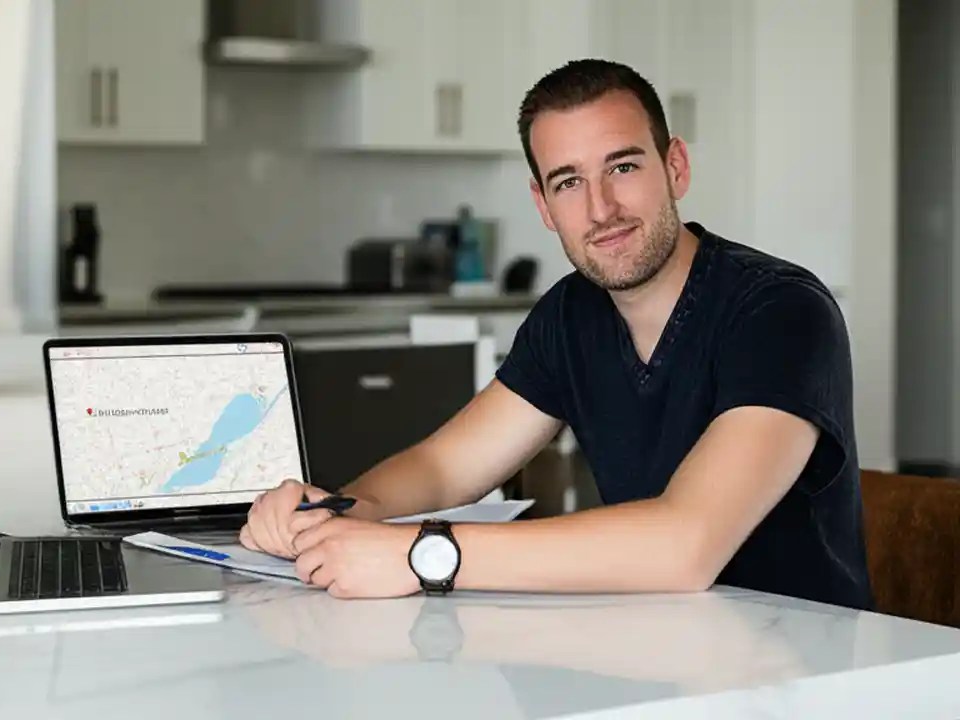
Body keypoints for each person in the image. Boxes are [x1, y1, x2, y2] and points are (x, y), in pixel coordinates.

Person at [240, 58, 873, 611]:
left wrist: (422, 555)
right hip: (656, 642)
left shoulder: (781, 311)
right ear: (544, 206)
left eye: (622, 166)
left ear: (675, 167)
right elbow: (444, 466)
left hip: (798, 666)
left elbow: (687, 545)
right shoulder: (572, 314)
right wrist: (336, 514)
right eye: (569, 182)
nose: (600, 209)